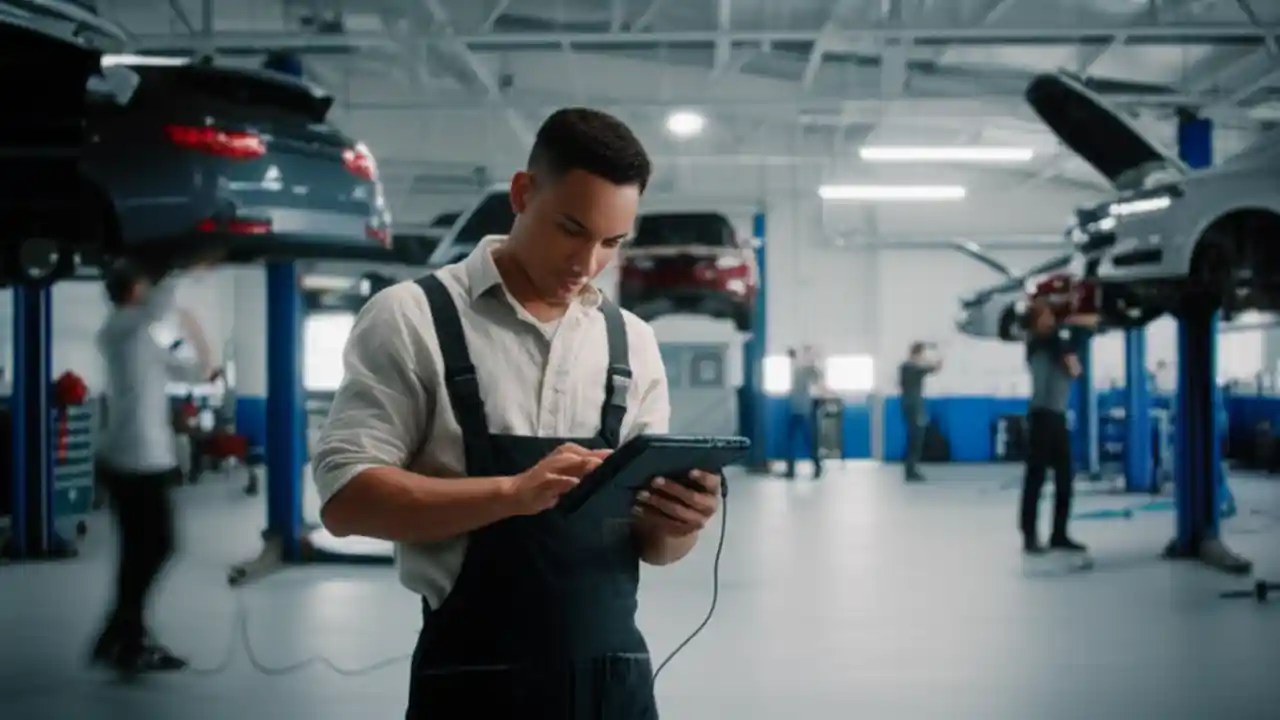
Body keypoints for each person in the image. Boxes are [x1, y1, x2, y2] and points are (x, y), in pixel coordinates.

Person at [311, 108, 722, 719]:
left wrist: (680, 522)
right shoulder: (413, 318)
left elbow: (657, 552)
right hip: (474, 685)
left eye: (611, 242)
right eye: (571, 229)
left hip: (615, 689)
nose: (587, 264)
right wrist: (509, 493)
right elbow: (346, 501)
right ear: (523, 193)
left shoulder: (631, 342)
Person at [90, 258, 219, 675]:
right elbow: (163, 300)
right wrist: (187, 259)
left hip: (140, 457)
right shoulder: (122, 329)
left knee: (141, 551)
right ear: (133, 290)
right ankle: (121, 633)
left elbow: (193, 369)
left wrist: (201, 342)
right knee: (157, 545)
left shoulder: (140, 337)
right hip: (134, 460)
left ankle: (124, 636)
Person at [1019, 300, 1092, 555]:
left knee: (1060, 479)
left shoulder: (1041, 342)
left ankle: (1054, 534)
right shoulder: (1046, 342)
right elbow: (1075, 370)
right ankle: (1035, 535)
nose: (1050, 319)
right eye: (1045, 316)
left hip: (1052, 416)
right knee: (1039, 478)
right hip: (1045, 417)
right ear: (1035, 321)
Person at [898, 341, 941, 482]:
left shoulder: (906, 367)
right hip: (914, 406)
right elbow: (935, 367)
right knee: (916, 438)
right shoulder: (912, 367)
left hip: (909, 404)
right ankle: (911, 471)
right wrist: (938, 355)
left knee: (914, 438)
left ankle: (911, 469)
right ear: (918, 353)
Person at [784, 345, 824, 479]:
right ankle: (792, 469)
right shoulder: (796, 369)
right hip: (797, 408)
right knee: (796, 440)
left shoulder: (805, 369)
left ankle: (815, 467)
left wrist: (812, 360)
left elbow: (817, 377)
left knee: (807, 440)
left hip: (803, 410)